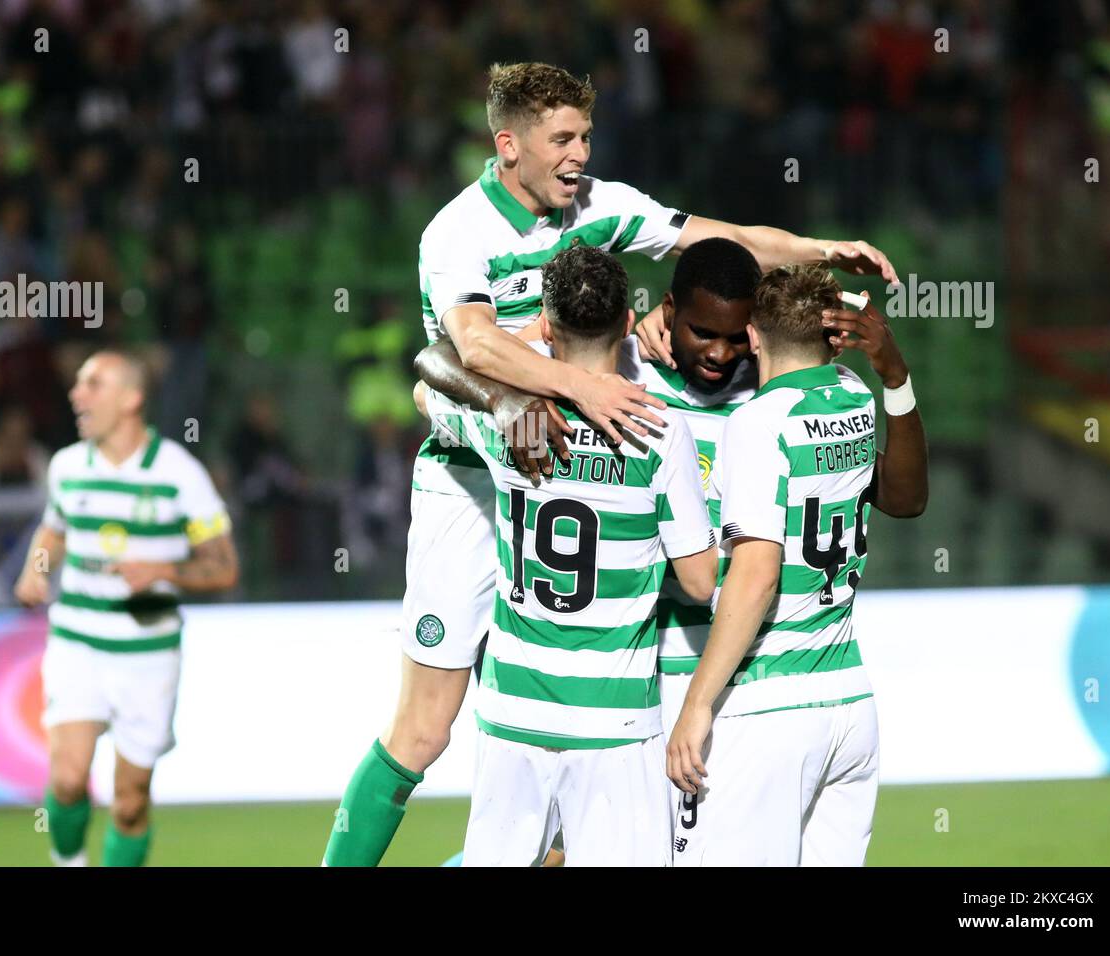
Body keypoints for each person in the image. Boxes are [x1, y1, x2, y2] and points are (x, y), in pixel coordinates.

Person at [323, 60, 897, 866]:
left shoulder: (603, 206)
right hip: (474, 479)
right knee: (423, 728)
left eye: (585, 136)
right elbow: (465, 349)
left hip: (586, 476)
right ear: (508, 144)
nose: (578, 155)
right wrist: (575, 387)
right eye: (561, 138)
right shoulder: (457, 233)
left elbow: (722, 243)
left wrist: (818, 248)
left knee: (568, 769)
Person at [416, 238, 928, 863]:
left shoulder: (777, 399)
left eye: (736, 337)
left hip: (720, 685)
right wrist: (509, 396)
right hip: (642, 681)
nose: (719, 353)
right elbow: (451, 363)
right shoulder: (621, 376)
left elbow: (892, 496)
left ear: (759, 335)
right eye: (701, 332)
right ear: (661, 315)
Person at [422, 246, 717, 865]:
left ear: (550, 326)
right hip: (612, 723)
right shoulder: (657, 430)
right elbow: (697, 579)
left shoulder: (521, 420)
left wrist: (508, 377)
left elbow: (429, 380)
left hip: (513, 711)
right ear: (630, 319)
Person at [666, 264, 918, 865]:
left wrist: (698, 703)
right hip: (850, 702)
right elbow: (907, 499)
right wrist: (894, 373)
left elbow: (757, 574)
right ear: (832, 337)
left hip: (773, 705)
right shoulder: (855, 398)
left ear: (753, 335)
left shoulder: (757, 423)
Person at [14, 351, 237, 867]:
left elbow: (223, 568)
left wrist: (163, 571)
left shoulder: (180, 473)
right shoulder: (67, 466)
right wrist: (37, 567)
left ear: (131, 398)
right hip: (77, 640)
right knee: (68, 781)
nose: (77, 394)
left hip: (148, 653)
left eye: (93, 383)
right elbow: (55, 527)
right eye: (77, 383)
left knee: (130, 803)